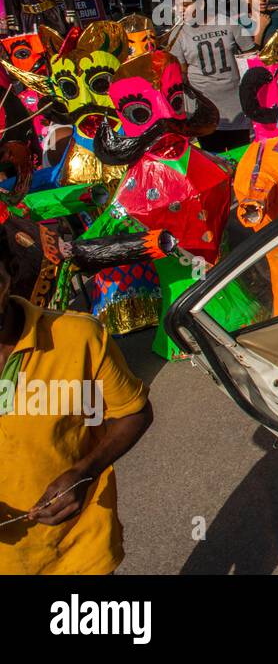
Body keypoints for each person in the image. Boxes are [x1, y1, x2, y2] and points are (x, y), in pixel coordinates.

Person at [0, 240, 153, 574]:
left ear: (11, 271)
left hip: (77, 554)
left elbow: (133, 411)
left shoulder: (78, 337)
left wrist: (86, 471)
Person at [172, 0, 254, 153]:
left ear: (201, 4)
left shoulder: (230, 23)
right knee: (216, 163)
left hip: (236, 107)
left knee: (242, 158)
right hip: (205, 111)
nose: (180, 10)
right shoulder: (178, 33)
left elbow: (251, 56)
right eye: (177, 6)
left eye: (185, 5)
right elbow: (181, 74)